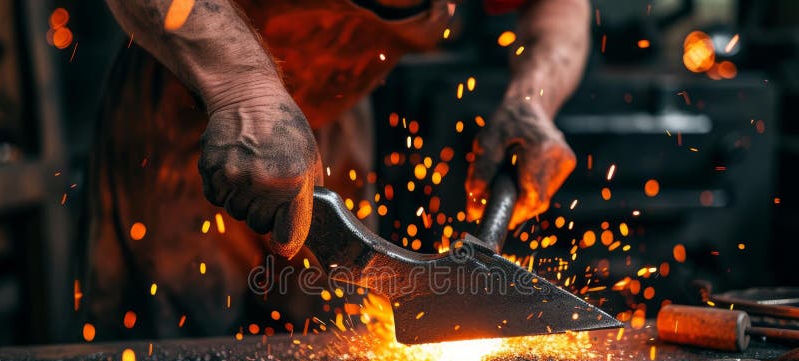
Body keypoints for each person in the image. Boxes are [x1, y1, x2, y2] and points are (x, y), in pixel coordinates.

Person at [83, 0, 589, 340]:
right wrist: (243, 87)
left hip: (333, 119)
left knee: (335, 351)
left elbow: (561, 8)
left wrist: (533, 100)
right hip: (191, 106)